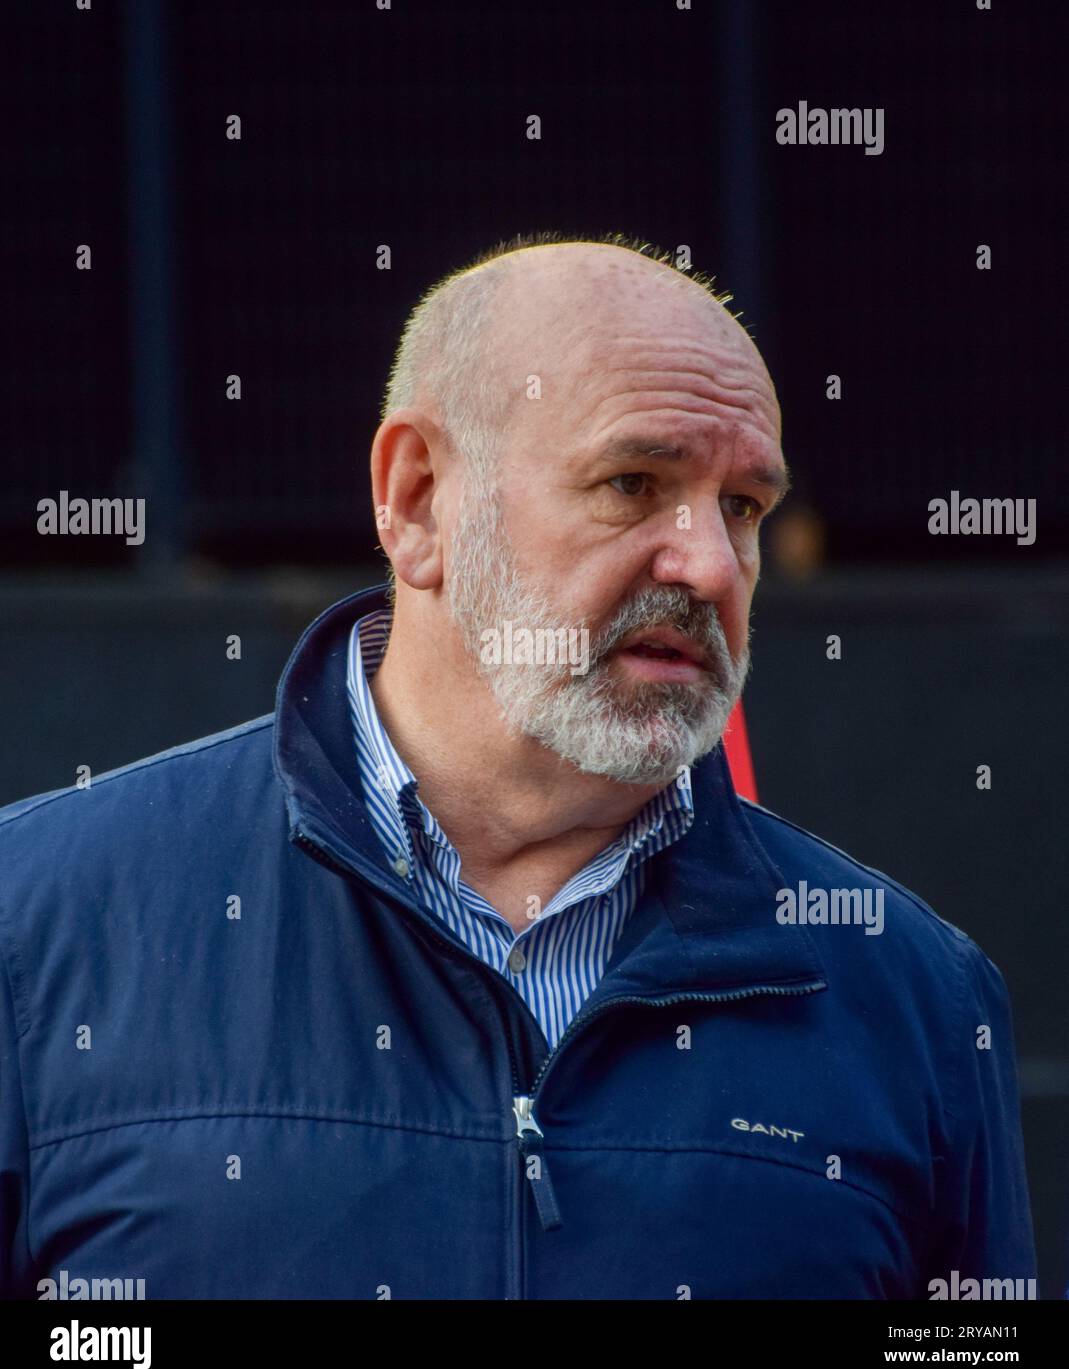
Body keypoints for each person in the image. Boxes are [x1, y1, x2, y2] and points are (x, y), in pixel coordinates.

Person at [0, 233, 1036, 1299]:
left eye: (742, 507)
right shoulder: (38, 932)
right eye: (632, 482)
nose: (712, 566)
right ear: (416, 500)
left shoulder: (911, 992)